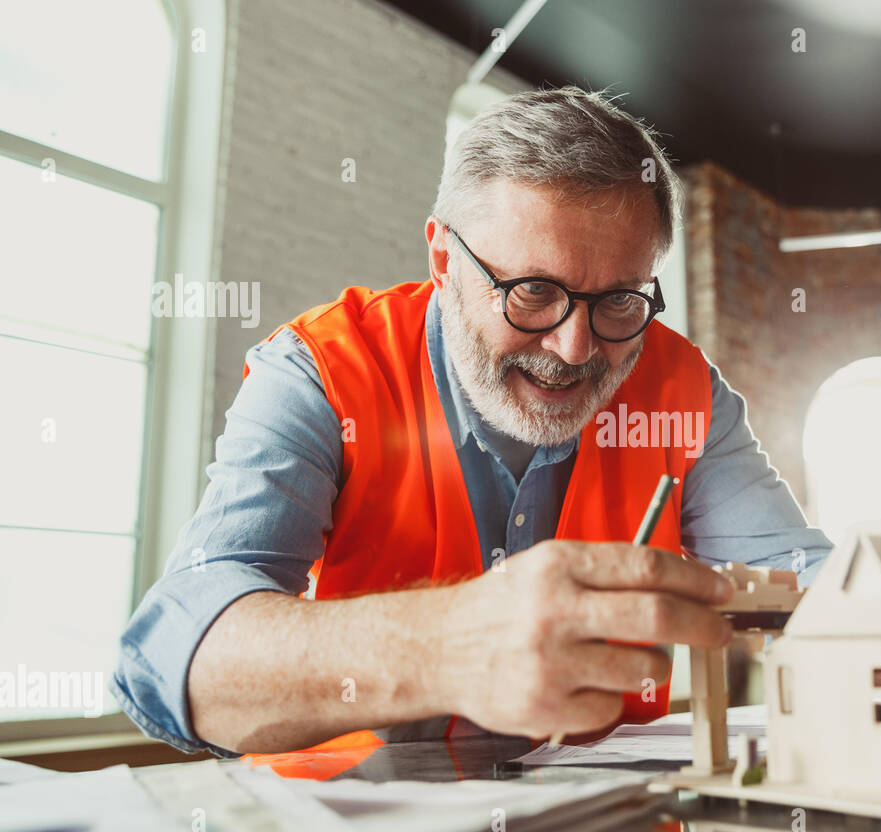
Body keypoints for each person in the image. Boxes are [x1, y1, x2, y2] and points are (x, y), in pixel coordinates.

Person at [112, 87, 832, 757]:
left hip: (605, 823)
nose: (573, 348)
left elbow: (811, 590)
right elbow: (174, 662)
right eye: (534, 291)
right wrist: (450, 647)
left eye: (618, 300)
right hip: (351, 824)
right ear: (442, 259)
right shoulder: (322, 370)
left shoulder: (684, 389)